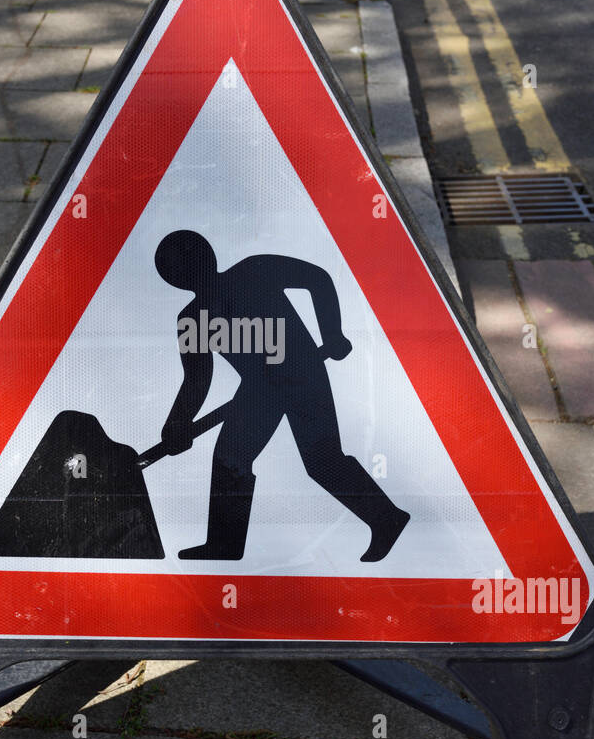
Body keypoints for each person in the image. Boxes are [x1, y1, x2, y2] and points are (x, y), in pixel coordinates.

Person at [155, 230, 410, 562]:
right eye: (176, 269)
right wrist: (178, 422)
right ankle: (224, 543)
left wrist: (332, 332)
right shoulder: (191, 319)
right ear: (172, 279)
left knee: (322, 460)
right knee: (230, 458)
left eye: (188, 261)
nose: (186, 272)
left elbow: (316, 279)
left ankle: (386, 518)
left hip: (302, 374)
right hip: (258, 390)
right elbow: (198, 378)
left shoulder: (254, 271)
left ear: (206, 256)